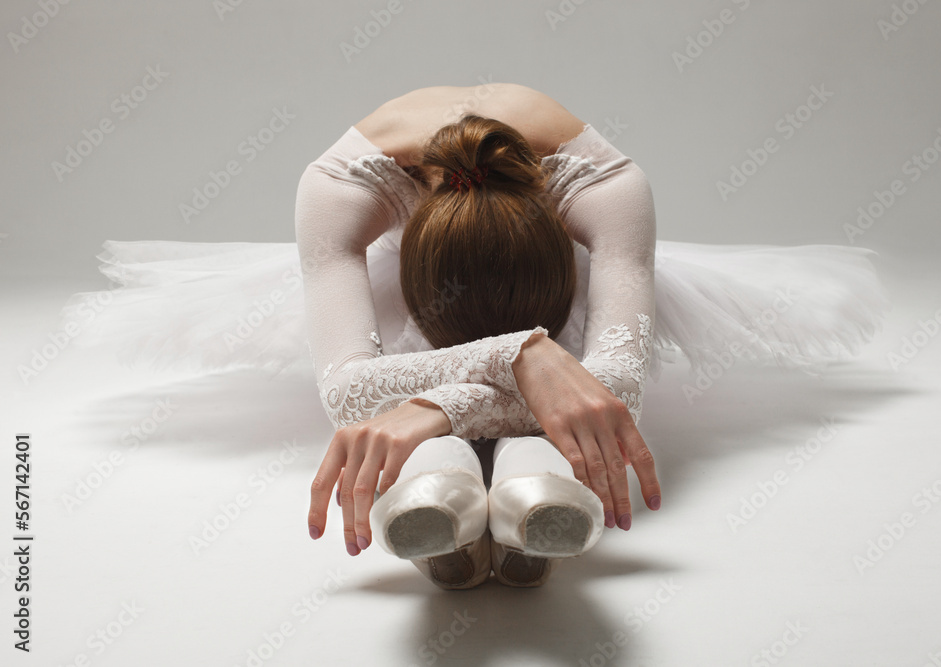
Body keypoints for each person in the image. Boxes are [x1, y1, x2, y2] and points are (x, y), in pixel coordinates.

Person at [59, 82, 891, 590]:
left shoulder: (610, 192)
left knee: (571, 392)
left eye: (541, 327)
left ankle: (512, 491)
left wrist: (439, 402)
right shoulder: (337, 191)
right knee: (431, 373)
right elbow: (350, 387)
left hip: (537, 252)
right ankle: (462, 488)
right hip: (439, 273)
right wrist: (519, 353)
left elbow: (616, 383)